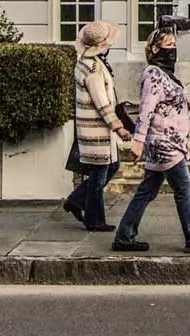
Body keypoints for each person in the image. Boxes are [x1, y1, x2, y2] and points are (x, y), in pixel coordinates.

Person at [111, 26, 190, 254]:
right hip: (164, 144)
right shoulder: (153, 74)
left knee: (147, 191)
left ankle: (124, 235)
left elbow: (167, 99)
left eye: (174, 45)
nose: (172, 50)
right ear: (153, 49)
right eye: (167, 46)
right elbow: (147, 110)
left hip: (169, 142)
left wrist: (185, 101)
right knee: (184, 189)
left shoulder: (165, 74)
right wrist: (138, 140)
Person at [63, 20, 131, 233]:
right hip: (96, 129)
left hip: (96, 128)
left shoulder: (91, 62)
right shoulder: (91, 67)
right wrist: (118, 126)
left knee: (108, 167)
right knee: (100, 173)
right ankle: (94, 219)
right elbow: (101, 102)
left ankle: (76, 200)